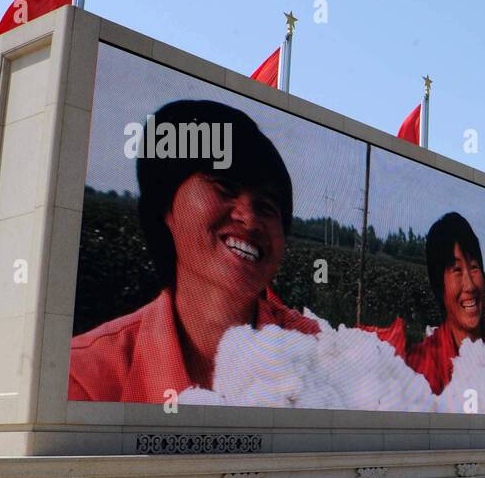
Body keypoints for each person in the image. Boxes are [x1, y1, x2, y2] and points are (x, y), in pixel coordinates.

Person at [69, 100, 321, 401]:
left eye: (267, 207)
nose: (250, 218)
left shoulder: (325, 353)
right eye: (224, 187)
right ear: (165, 206)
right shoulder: (85, 377)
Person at [406, 212, 485, 395]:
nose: (470, 285)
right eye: (457, 270)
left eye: (474, 267)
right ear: (439, 286)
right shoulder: (421, 369)